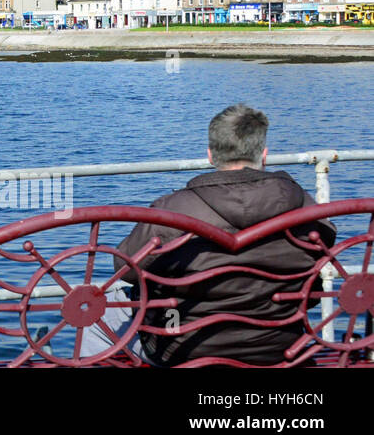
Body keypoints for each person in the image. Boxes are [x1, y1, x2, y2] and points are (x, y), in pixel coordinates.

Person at [80, 104, 335, 365]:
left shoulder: (173, 210)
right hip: (278, 347)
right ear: (264, 155)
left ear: (211, 155)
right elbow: (313, 285)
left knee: (99, 307)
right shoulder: (305, 207)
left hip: (182, 350)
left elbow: (125, 267)